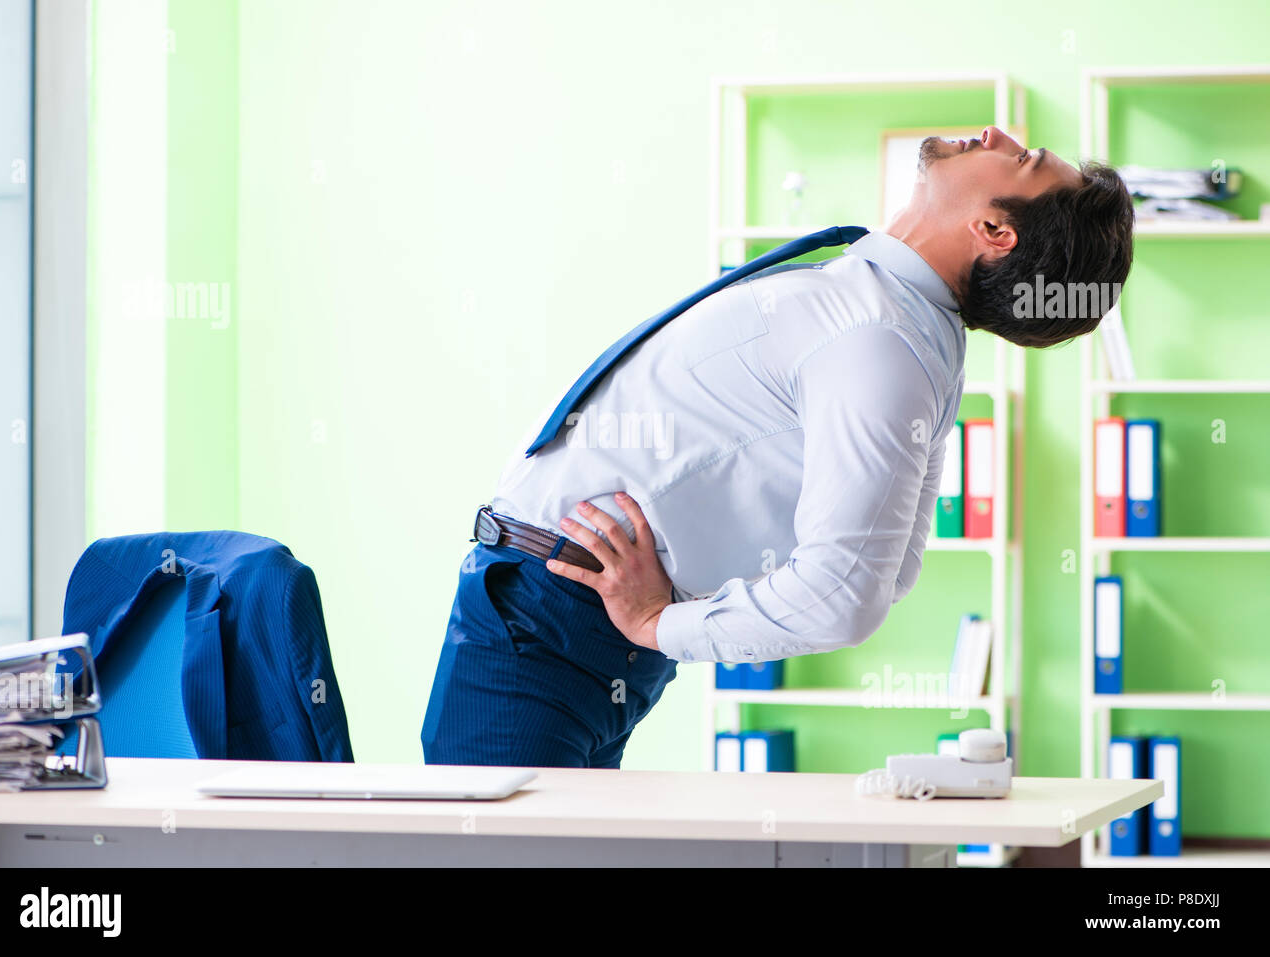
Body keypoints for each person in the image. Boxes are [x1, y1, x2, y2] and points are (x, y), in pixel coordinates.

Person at [421, 126, 1134, 768]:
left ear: (993, 229)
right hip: (564, 625)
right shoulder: (898, 324)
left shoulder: (881, 338)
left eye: (1023, 158)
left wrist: (660, 623)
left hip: (546, 622)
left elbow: (851, 592)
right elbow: (895, 569)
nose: (997, 134)